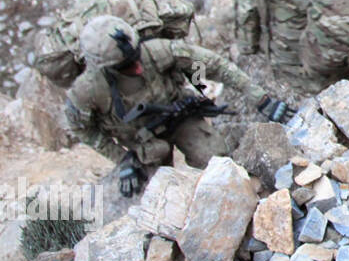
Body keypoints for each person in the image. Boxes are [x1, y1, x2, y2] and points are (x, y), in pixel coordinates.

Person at [64, 15, 295, 195]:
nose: (138, 68)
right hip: (141, 142)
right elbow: (81, 129)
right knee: (157, 196)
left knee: (222, 164)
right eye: (126, 66)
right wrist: (122, 159)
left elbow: (215, 65)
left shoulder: (158, 51)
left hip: (179, 117)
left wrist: (261, 99)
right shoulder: (87, 90)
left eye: (137, 56)